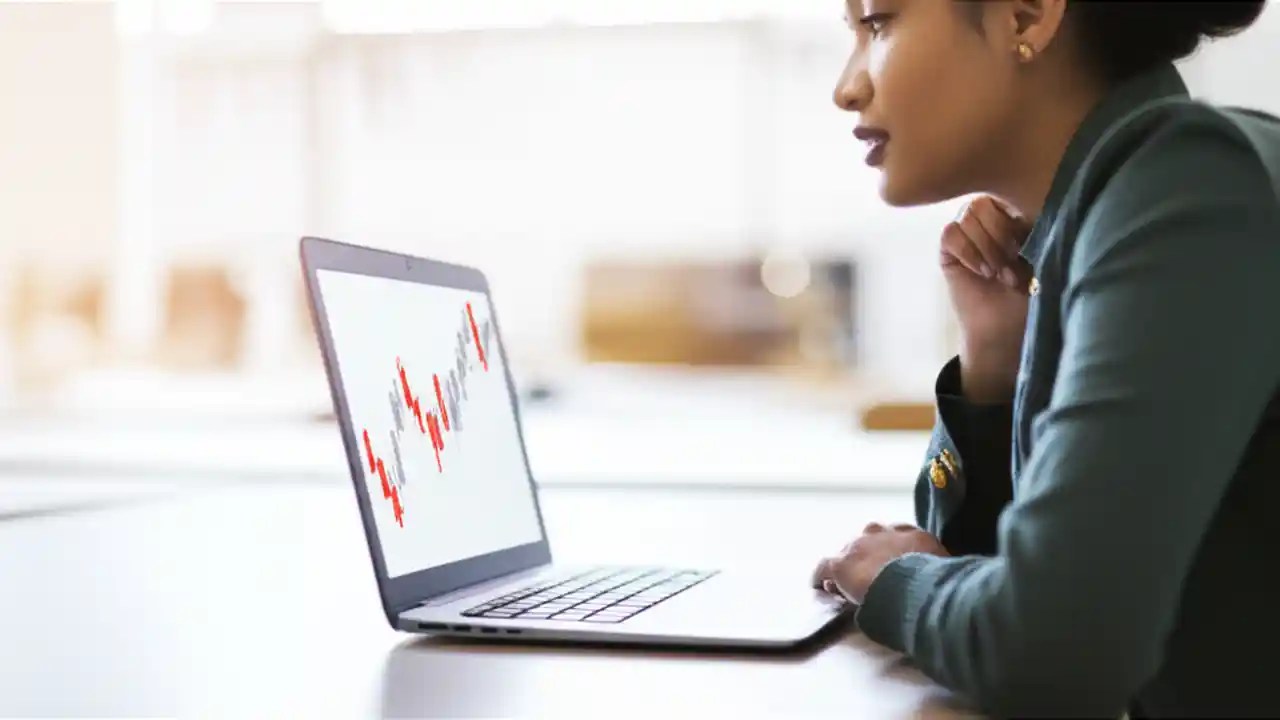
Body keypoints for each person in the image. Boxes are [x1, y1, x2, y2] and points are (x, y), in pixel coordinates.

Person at [809, 0, 1280, 717]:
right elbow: (1004, 575)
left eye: (879, 23)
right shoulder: (1107, 216)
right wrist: (995, 370)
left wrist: (892, 582)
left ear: (1026, 17)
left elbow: (1048, 648)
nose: (848, 86)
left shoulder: (1187, 184)